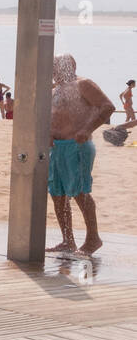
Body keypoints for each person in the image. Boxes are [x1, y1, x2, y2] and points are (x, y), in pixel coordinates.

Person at [48, 53, 112, 257]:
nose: (53, 71)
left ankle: (93, 238)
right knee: (58, 194)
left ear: (70, 66)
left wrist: (87, 129)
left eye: (56, 66)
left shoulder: (83, 84)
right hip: (57, 147)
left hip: (77, 146)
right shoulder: (55, 89)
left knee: (79, 192)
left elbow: (108, 107)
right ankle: (68, 240)